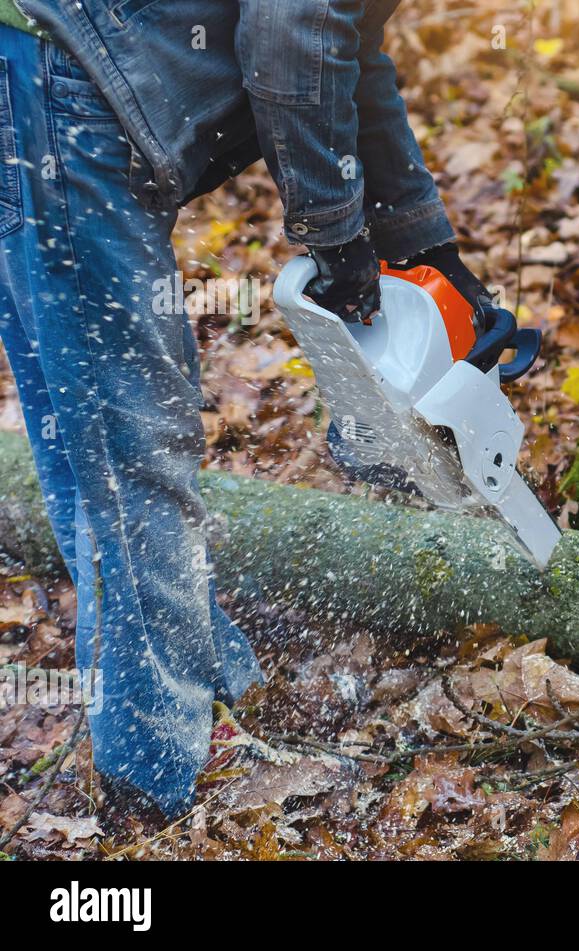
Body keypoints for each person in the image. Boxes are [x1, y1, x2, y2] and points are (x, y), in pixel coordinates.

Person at [0, 0, 494, 819]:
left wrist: (421, 242)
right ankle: (157, 778)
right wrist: (338, 243)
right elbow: (291, 33)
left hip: (44, 60)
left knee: (83, 430)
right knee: (130, 455)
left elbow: (349, 42)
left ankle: (197, 676)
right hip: (64, 83)